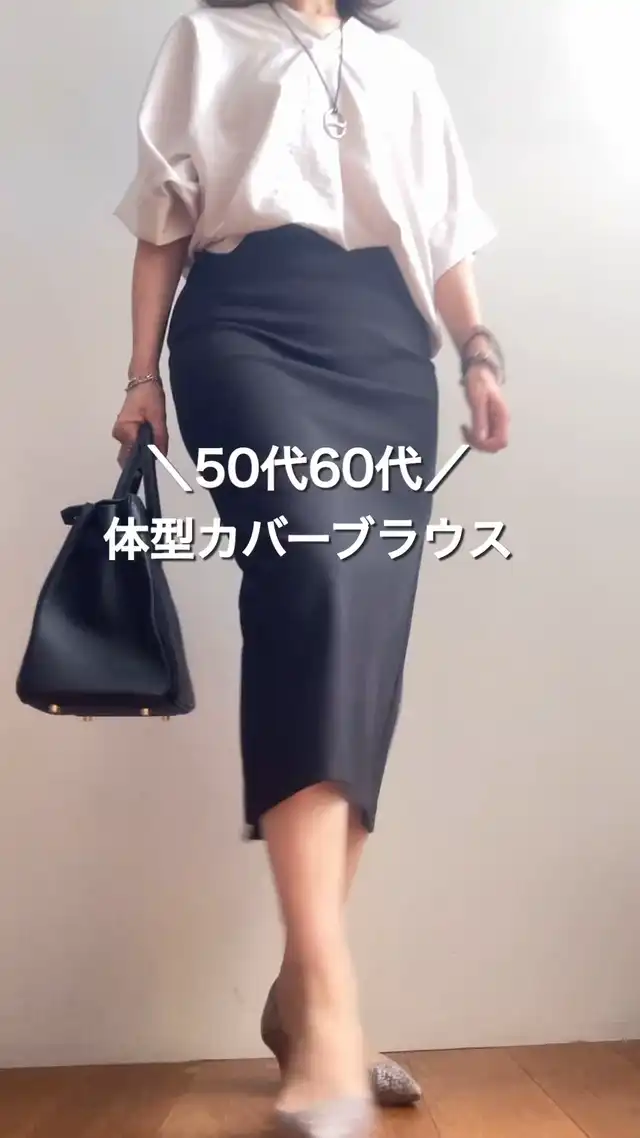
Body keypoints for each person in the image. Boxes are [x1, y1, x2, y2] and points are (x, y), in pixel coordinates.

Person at [113, 1, 509, 1134]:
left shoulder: (400, 68)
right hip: (244, 328)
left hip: (384, 349)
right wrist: (140, 376)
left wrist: (478, 351)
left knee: (361, 643)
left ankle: (301, 992)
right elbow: (163, 218)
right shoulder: (206, 38)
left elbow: (444, 224)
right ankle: (331, 1004)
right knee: (315, 592)